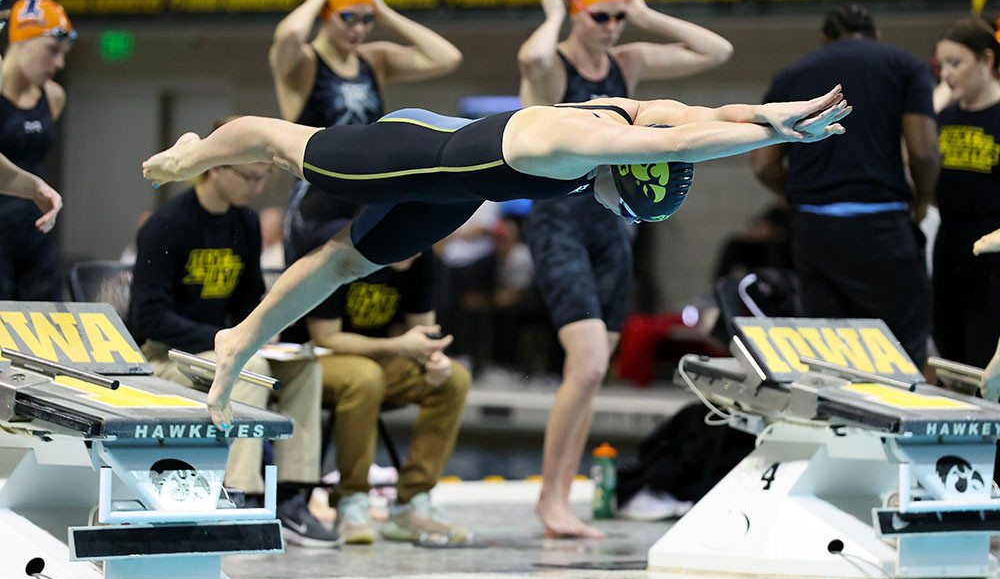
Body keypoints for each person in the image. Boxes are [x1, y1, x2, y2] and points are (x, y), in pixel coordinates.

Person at [142, 88, 851, 428]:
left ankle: (238, 340)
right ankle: (195, 152)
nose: (615, 214)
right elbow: (677, 143)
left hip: (457, 191)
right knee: (283, 145)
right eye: (625, 206)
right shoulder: (583, 144)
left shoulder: (637, 117)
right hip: (418, 151)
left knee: (343, 262)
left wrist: (768, 116)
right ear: (625, 173)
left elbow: (698, 121)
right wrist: (773, 136)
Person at [518, 0, 733, 537]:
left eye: (619, 16)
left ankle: (562, 496)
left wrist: (644, 15)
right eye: (601, 16)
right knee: (588, 364)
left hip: (612, 224)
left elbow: (717, 51)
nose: (612, 26)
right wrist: (552, 12)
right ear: (576, 10)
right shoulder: (554, 68)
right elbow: (531, 59)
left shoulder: (626, 62)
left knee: (592, 372)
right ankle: (550, 498)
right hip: (559, 222)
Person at [129, 123, 336, 548]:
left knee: (304, 367)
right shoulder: (166, 225)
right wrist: (227, 341)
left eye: (262, 178)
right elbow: (148, 318)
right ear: (214, 167)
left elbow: (247, 302)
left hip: (217, 349)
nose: (256, 188)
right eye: (248, 176)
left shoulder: (244, 223)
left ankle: (292, 495)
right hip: (166, 356)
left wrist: (262, 335)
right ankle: (241, 495)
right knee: (248, 364)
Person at [751, 3, 939, 369]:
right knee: (899, 355)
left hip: (814, 234)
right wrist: (922, 202)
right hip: (882, 228)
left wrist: (801, 196)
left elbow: (762, 164)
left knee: (828, 358)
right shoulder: (905, 66)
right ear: (876, 35)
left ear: (824, 38)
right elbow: (924, 151)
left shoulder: (790, 76)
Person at [284, 229, 471, 545]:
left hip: (380, 359)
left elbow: (422, 330)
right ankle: (351, 500)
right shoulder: (341, 246)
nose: (417, 251)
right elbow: (326, 337)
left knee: (455, 378)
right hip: (313, 361)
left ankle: (412, 501)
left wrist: (435, 360)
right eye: (411, 243)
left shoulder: (419, 252)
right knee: (365, 377)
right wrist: (398, 346)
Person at [273, 0, 462, 232]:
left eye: (367, 19)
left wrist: (385, 13)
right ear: (325, 14)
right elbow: (289, 34)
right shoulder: (303, 64)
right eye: (348, 17)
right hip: (316, 199)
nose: (359, 29)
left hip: (367, 195)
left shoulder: (374, 61)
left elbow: (448, 58)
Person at [930, 18, 1000, 369]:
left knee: (983, 360)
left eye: (955, 63)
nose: (946, 74)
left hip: (994, 253)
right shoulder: (943, 117)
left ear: (987, 59)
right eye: (941, 65)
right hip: (950, 248)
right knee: (950, 359)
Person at [0, 0, 72, 300]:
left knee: (47, 323)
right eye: (52, 50)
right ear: (22, 40)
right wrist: (34, 186)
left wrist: (35, 189)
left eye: (64, 54)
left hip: (35, 228)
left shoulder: (53, 97)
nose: (59, 64)